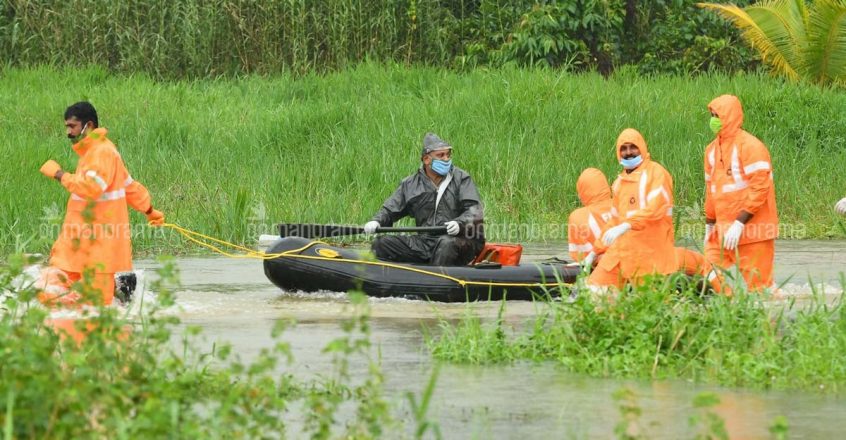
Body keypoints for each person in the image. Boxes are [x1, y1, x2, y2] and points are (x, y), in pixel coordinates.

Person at [37, 101, 164, 306]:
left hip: (101, 250)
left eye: (72, 126)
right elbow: (129, 186)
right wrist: (149, 210)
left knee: (96, 308)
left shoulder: (103, 152)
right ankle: (121, 294)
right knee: (47, 291)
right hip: (77, 244)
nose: (68, 132)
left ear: (89, 126)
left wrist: (59, 174)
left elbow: (90, 188)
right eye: (67, 127)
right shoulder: (93, 152)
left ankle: (121, 299)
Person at [569, 166, 723, 292]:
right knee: (701, 263)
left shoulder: (577, 217)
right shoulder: (624, 201)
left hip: (614, 265)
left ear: (582, 192)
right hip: (654, 255)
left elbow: (581, 259)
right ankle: (727, 296)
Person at [363, 132, 485, 266]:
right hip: (424, 242)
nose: (446, 159)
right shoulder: (409, 185)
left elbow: (475, 210)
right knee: (381, 244)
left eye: (448, 155)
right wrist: (376, 221)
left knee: (446, 244)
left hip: (460, 240)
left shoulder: (462, 179)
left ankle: (438, 282)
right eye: (441, 155)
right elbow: (390, 210)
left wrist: (459, 224)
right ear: (426, 159)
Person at [704, 95, 778, 292]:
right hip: (722, 231)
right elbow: (712, 191)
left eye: (717, 115)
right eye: (711, 115)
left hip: (754, 231)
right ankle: (730, 309)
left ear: (729, 116)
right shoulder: (711, 151)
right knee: (708, 271)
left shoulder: (751, 146)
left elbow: (760, 187)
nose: (713, 119)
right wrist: (709, 224)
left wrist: (738, 224)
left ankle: (779, 314)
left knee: (761, 290)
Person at [587, 129, 677, 290]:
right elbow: (613, 222)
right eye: (624, 148)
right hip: (621, 254)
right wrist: (594, 251)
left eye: (632, 147)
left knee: (650, 309)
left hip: (651, 256)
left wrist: (627, 225)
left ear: (641, 147)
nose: (628, 152)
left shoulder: (657, 173)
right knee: (592, 293)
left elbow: (655, 208)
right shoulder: (619, 183)